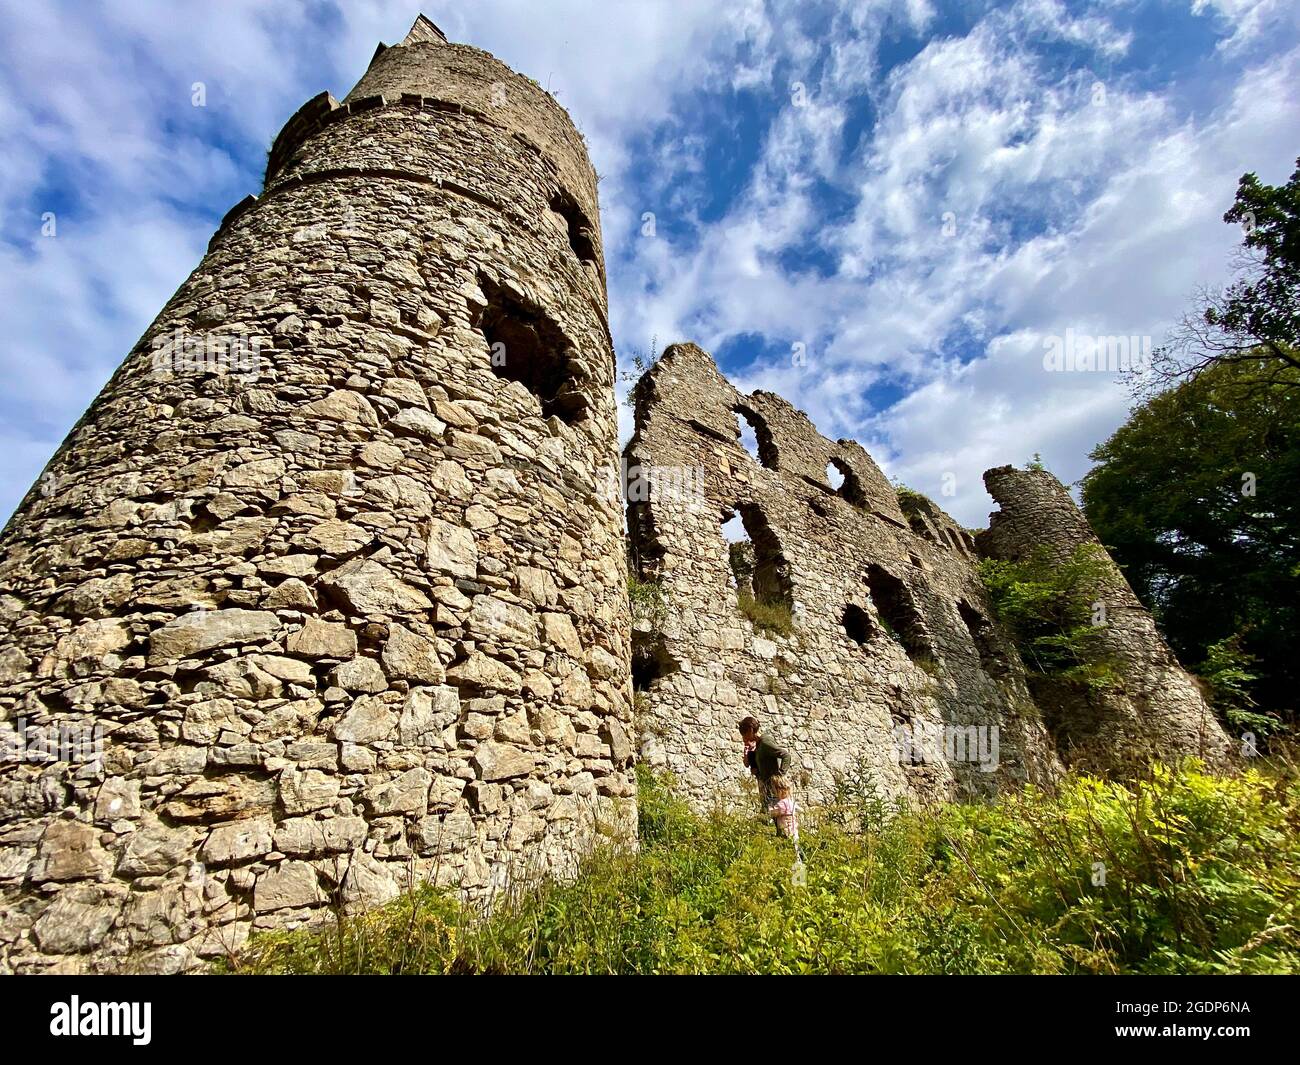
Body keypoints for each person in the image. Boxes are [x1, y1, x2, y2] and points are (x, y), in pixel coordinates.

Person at [737, 715, 789, 809]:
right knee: (766, 815)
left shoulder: (765, 742)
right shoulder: (758, 745)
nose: (744, 738)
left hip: (773, 790)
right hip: (766, 789)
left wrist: (779, 775)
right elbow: (750, 764)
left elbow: (786, 755)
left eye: (745, 734)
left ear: (750, 730)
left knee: (775, 816)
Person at [766, 774, 799, 845]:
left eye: (774, 791)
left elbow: (774, 812)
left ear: (780, 790)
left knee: (787, 846)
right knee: (795, 847)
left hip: (786, 831)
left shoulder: (783, 803)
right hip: (793, 830)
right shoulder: (790, 800)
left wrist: (769, 808)